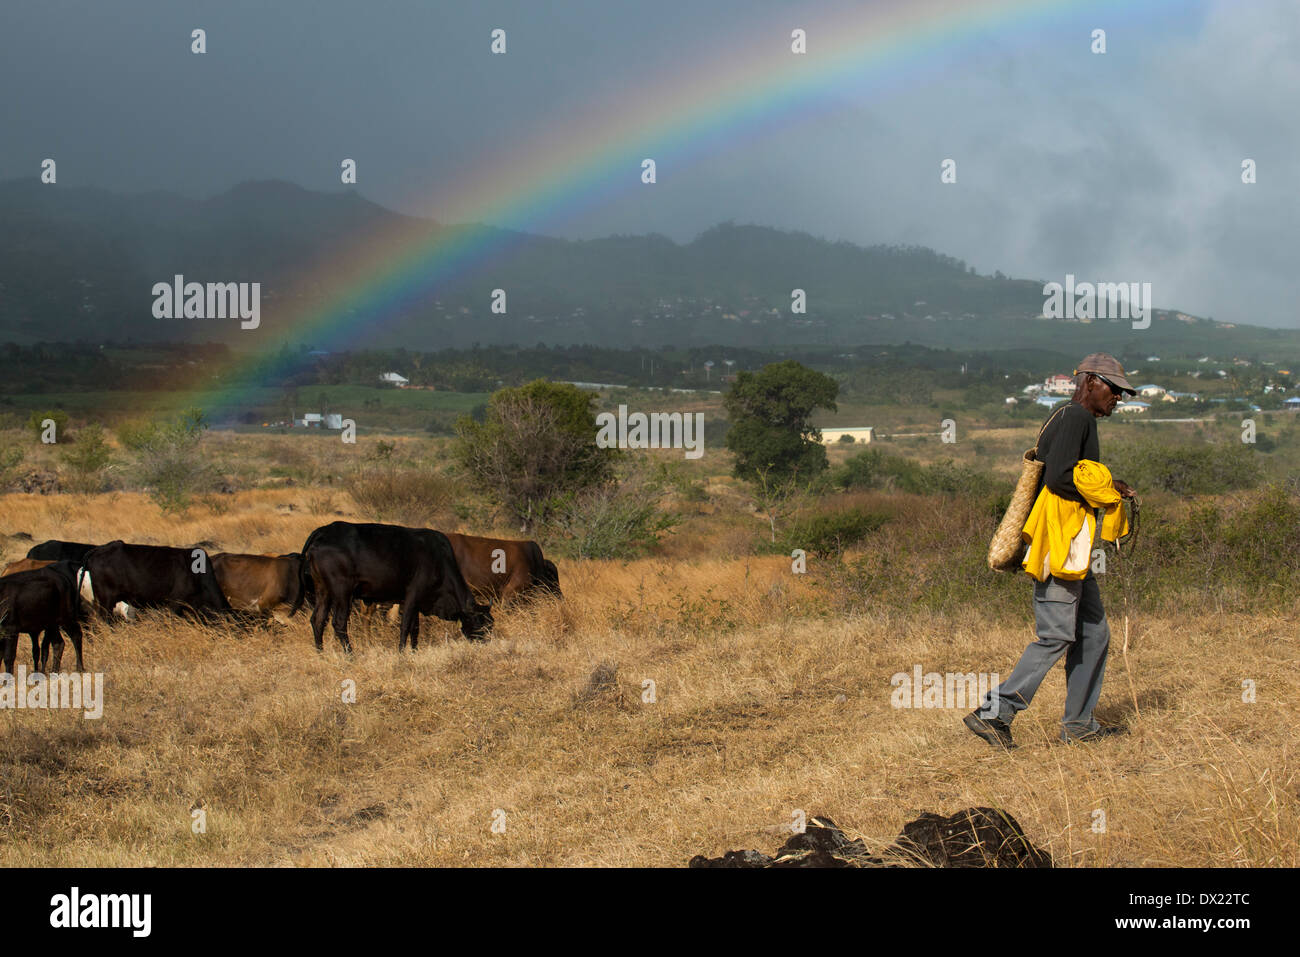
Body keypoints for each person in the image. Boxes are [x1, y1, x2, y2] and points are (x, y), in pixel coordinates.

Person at [965, 353, 1138, 749]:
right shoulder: (1076, 418)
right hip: (1059, 545)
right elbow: (1061, 478)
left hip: (1071, 548)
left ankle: (1079, 726)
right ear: (1091, 382)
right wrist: (1108, 489)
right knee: (1056, 635)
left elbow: (1066, 474)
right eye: (1114, 389)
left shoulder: (1071, 418)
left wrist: (1111, 486)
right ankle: (994, 714)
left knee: (1093, 635)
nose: (1118, 398)